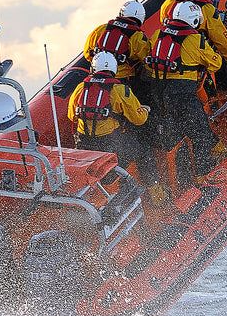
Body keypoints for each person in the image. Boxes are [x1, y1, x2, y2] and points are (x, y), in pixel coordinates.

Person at [68, 50, 168, 207]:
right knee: (144, 152)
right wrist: (144, 110)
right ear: (114, 69)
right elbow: (138, 119)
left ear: (93, 68)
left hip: (84, 145)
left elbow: (71, 115)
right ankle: (157, 194)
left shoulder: (80, 88)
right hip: (110, 144)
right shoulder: (119, 90)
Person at [144, 1, 227, 183]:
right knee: (201, 136)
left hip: (157, 96)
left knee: (197, 127)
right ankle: (203, 179)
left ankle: (217, 151)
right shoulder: (195, 39)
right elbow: (216, 63)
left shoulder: (158, 34)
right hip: (182, 97)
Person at [83, 0, 150, 85]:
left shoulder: (101, 29)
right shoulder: (137, 36)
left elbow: (87, 52)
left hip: (97, 76)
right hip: (123, 78)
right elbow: (146, 57)